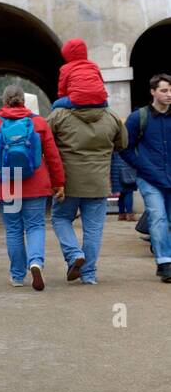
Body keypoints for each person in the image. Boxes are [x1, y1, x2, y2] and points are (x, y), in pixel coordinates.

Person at [0, 86, 66, 291]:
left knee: (14, 230)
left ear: (4, 101)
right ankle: (35, 262)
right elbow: (53, 157)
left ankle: (17, 276)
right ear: (23, 101)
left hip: (6, 186)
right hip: (36, 184)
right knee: (35, 226)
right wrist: (58, 183)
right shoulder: (39, 123)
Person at [46, 95, 126, 285]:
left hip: (66, 183)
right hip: (98, 182)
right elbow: (122, 144)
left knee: (60, 218)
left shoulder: (59, 115)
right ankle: (89, 274)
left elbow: (42, 138)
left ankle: (74, 254)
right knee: (93, 229)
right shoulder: (111, 116)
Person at [119, 73, 171, 281]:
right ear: (153, 92)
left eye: (170, 90)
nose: (169, 94)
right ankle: (165, 263)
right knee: (157, 217)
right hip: (150, 179)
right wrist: (144, 167)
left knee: (167, 221)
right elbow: (124, 148)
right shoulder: (138, 118)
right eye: (164, 90)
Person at [53, 38, 109, 109]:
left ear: (66, 54)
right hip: (99, 100)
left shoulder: (65, 68)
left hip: (76, 101)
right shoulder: (93, 65)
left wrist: (63, 98)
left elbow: (62, 90)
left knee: (55, 104)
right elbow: (101, 82)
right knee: (107, 107)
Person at [112, 150, 138, 221]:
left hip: (115, 169)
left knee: (122, 194)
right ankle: (130, 214)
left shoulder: (115, 144)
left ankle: (121, 214)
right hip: (127, 169)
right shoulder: (128, 142)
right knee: (129, 192)